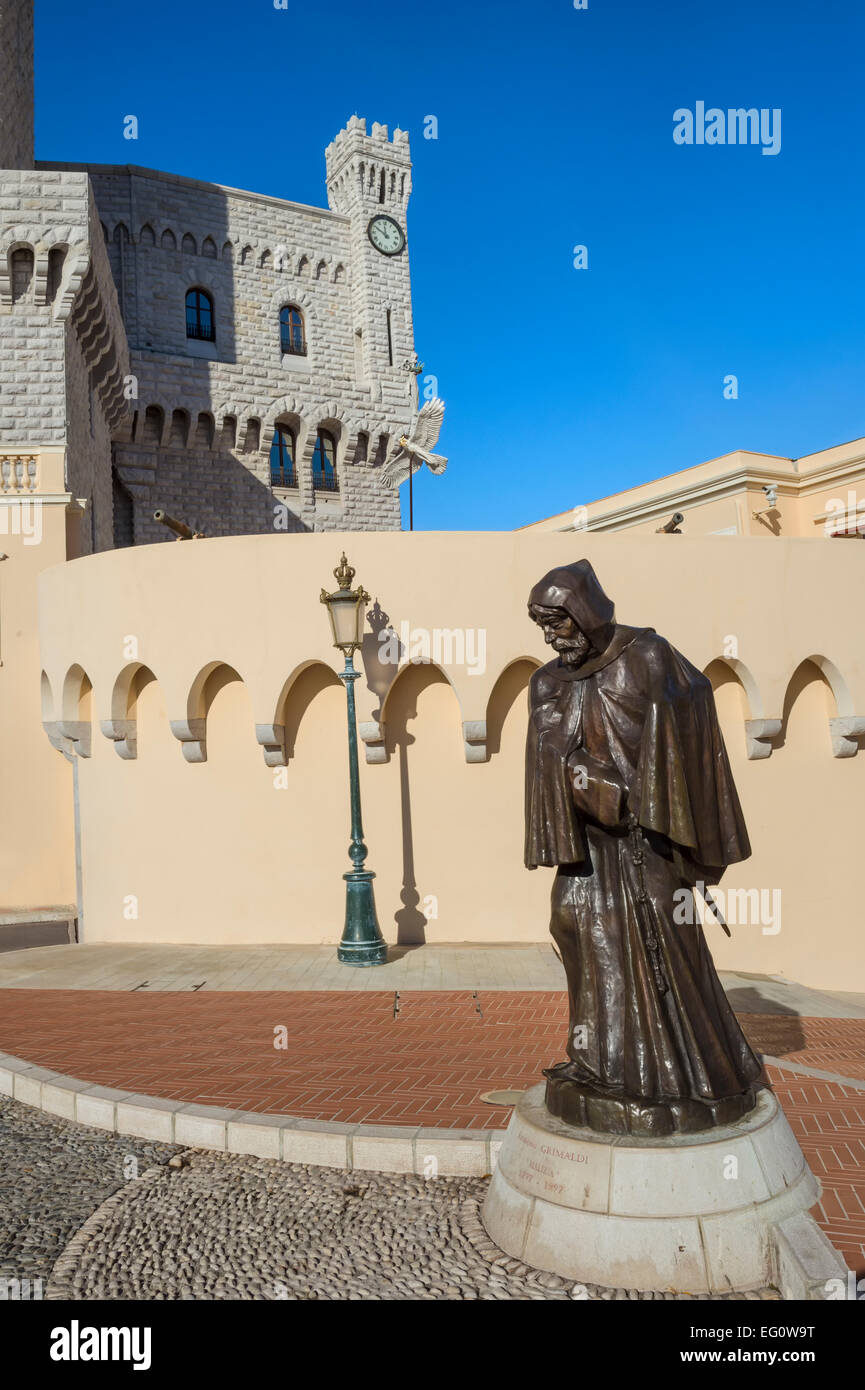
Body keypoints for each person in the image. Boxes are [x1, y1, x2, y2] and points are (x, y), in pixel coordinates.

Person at [525, 559, 764, 1136]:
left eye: (559, 624)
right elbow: (544, 754)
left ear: (586, 613)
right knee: (573, 923)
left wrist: (650, 800)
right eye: (545, 628)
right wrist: (576, 770)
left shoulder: (648, 657)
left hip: (647, 841)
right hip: (587, 846)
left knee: (663, 938)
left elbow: (690, 719)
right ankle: (599, 1061)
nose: (553, 638)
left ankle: (687, 1079)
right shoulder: (548, 681)